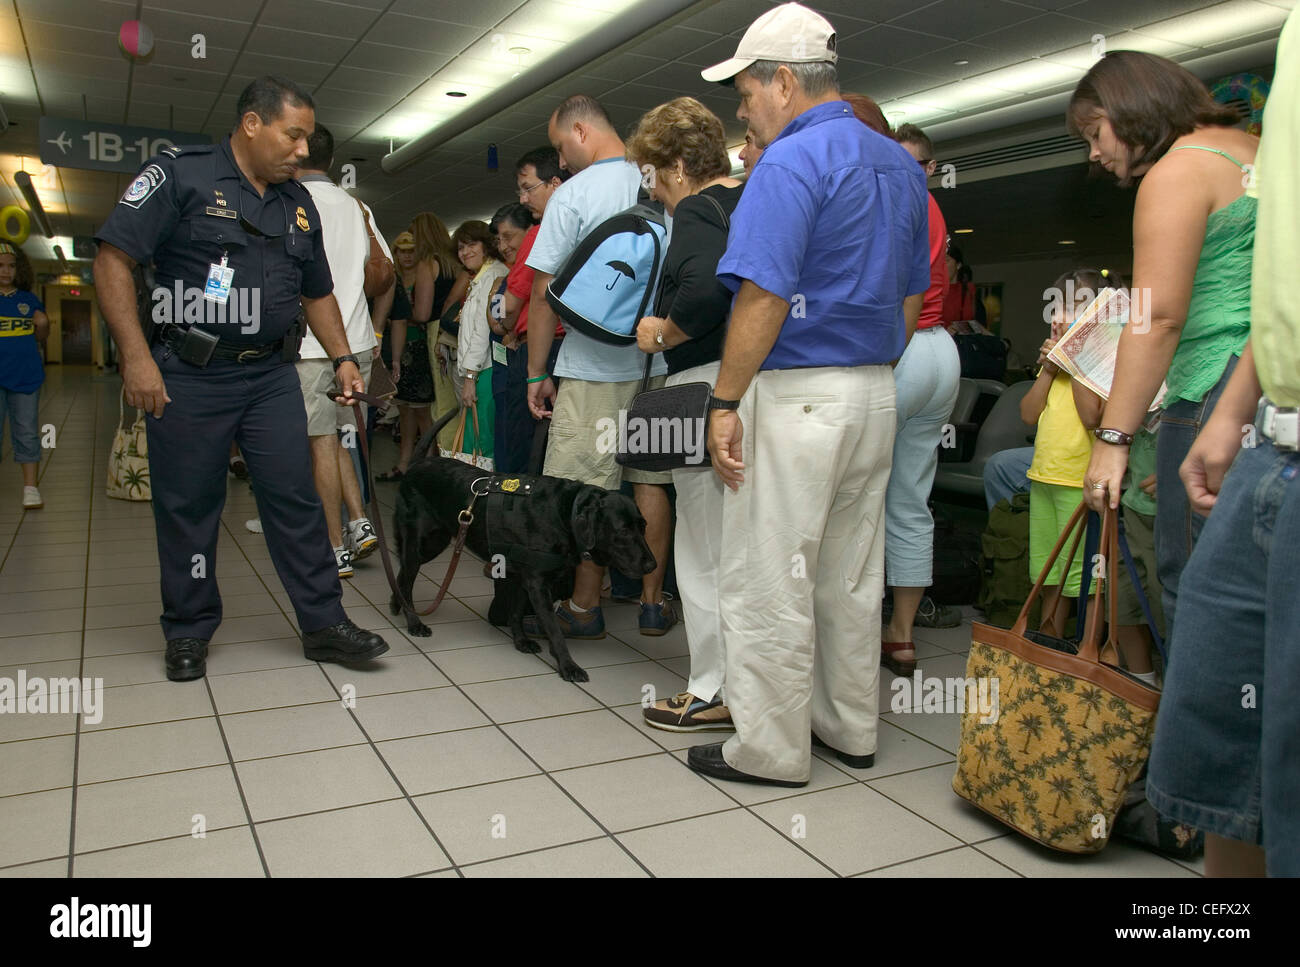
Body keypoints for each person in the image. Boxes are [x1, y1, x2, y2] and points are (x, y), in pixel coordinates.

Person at [689, 2, 930, 787]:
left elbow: (762, 295)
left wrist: (724, 401)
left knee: (770, 570)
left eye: (746, 91)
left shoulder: (789, 162)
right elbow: (907, 294)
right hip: (874, 391)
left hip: (798, 395)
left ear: (784, 81)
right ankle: (848, 726)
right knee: (850, 573)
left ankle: (768, 749)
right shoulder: (896, 163)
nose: (742, 107)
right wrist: (871, 373)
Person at [92, 75, 388, 682]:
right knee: (189, 506)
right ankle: (189, 629)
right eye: (294, 135)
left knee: (297, 500)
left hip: (272, 378)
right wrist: (135, 357)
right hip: (190, 376)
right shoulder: (181, 175)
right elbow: (113, 260)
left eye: (308, 138)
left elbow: (318, 293)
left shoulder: (298, 204)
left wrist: (344, 358)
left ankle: (323, 624)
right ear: (253, 124)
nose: (304, 151)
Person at [1147, 7, 1300, 878]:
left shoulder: (1183, 168)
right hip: (1265, 426)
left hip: (1243, 417)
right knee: (1219, 720)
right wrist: (1238, 407)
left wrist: (1121, 431)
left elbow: (1161, 313)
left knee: (1282, 746)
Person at [1074, 50, 1257, 642]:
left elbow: (1158, 318)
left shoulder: (1178, 171)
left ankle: (1196, 734)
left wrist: (1112, 440)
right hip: (1268, 386)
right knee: (1256, 596)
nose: (1094, 154)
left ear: (1131, 110)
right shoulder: (1255, 151)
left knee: (1197, 593)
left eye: (1095, 132)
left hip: (1210, 388)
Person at [523, 94, 676, 638]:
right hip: (659, 366)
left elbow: (543, 295)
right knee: (649, 482)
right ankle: (652, 604)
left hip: (592, 371)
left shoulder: (574, 195)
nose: (561, 163)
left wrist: (536, 372)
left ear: (582, 132)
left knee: (585, 491)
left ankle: (584, 608)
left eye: (562, 148)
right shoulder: (665, 180)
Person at [626, 96, 743, 732]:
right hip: (748, 384)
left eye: (652, 172)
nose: (656, 189)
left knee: (701, 550)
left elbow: (704, 290)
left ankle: (709, 688)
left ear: (674, 165)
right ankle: (748, 684)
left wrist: (661, 332)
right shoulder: (748, 198)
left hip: (699, 386)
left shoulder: (699, 207)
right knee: (743, 546)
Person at [841, 94, 964, 673]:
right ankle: (903, 634)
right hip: (944, 356)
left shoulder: (881, 187)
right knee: (912, 500)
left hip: (901, 349)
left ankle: (853, 632)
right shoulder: (926, 197)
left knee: (859, 497)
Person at [294, 124, 381, 577]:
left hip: (312, 345)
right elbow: (379, 271)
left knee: (321, 444)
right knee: (346, 437)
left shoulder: (289, 202)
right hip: (358, 342)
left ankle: (333, 548)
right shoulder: (357, 206)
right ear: (330, 160)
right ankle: (360, 522)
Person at [1019, 268, 1112, 637]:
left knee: (1086, 578)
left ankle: (1088, 653)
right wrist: (1048, 370)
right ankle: (1049, 647)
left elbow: (1093, 418)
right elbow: (1028, 415)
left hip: (1080, 481)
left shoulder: (1102, 360)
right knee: (1048, 571)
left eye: (1072, 307)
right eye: (1056, 306)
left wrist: (1073, 362)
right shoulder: (1055, 364)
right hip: (1044, 476)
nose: (1058, 317)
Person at [486, 202, 538, 473]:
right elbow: (496, 323)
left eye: (508, 237)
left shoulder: (541, 268)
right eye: (498, 240)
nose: (503, 245)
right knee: (509, 436)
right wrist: (497, 293)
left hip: (531, 363)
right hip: (506, 368)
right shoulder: (502, 280)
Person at [451, 220, 508, 458]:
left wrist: (470, 377)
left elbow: (482, 332)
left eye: (471, 244)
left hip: (485, 371)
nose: (465, 252)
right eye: (461, 247)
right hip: (481, 370)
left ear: (486, 245)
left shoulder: (492, 276)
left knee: (482, 441)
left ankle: (480, 490)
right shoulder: (482, 277)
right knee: (479, 437)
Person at [0, 242, 48, 510]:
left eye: (11, 266)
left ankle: (30, 488)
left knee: (27, 432)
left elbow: (41, 334)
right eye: (0, 266)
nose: (5, 272)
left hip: (25, 377)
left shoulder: (28, 300)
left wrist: (42, 325)